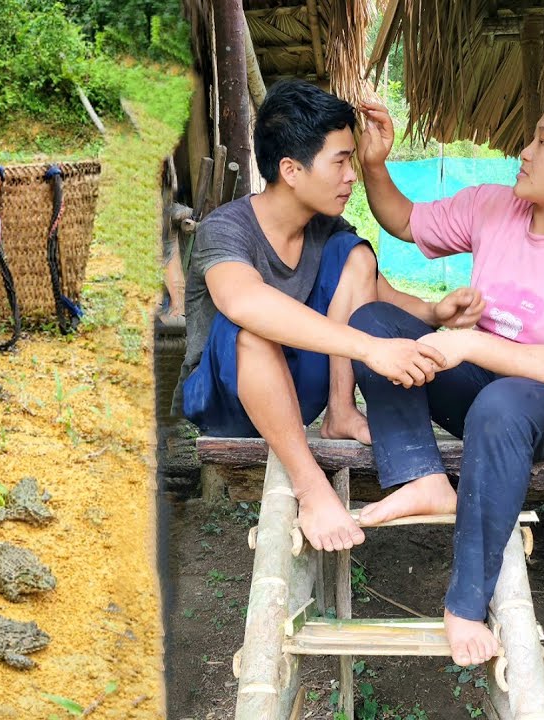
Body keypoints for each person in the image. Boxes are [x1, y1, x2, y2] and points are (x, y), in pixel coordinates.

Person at [351, 89, 544, 666]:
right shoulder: (495, 206)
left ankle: (467, 602)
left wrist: (467, 341)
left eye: (542, 141)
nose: (524, 151)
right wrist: (373, 162)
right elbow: (404, 220)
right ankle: (420, 475)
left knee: (503, 406)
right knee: (373, 325)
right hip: (492, 387)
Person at [176, 79, 484, 552]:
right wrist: (370, 348)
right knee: (251, 328)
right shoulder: (226, 229)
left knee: (355, 253)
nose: (352, 176)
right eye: (340, 161)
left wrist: (432, 310)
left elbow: (373, 286)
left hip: (298, 388)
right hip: (226, 397)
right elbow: (243, 303)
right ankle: (311, 488)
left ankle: (340, 412)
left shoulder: (326, 229)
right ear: (292, 170)